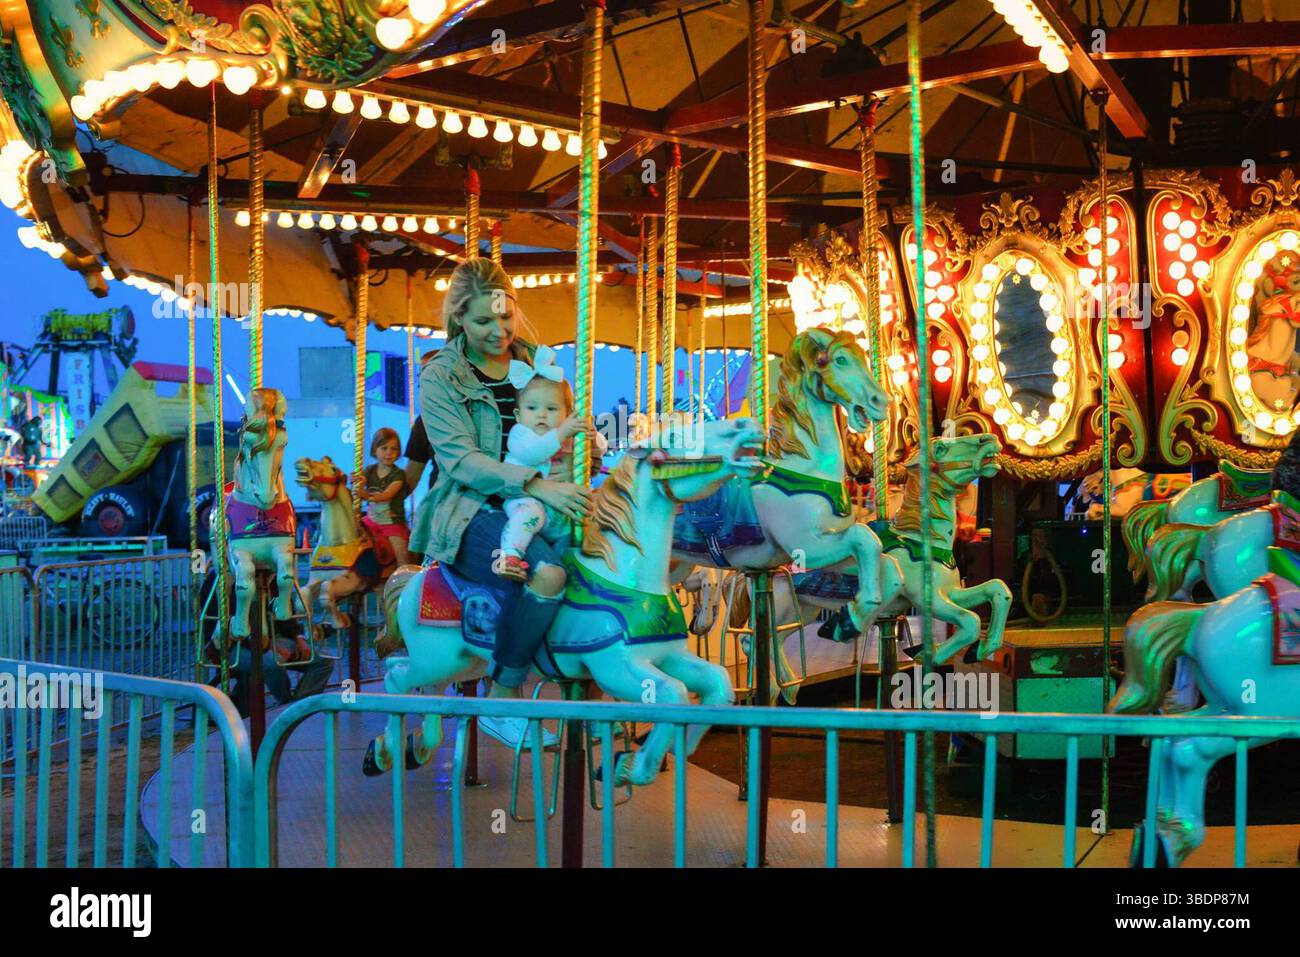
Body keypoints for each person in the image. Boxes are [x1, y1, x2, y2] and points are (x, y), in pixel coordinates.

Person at [413, 258, 597, 748]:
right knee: (549, 574)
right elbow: (461, 460)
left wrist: (587, 449)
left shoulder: (538, 363)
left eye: (506, 316)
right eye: (483, 321)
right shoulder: (441, 377)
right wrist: (535, 484)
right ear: (458, 319)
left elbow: (565, 426)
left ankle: (600, 687)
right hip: (474, 508)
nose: (499, 331)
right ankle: (503, 697)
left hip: (551, 494)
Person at [494, 346, 606, 581]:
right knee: (528, 516)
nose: (541, 415)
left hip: (561, 511)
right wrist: (564, 431)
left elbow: (600, 448)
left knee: (594, 519)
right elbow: (534, 453)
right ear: (518, 414)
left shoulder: (565, 435)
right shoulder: (521, 434)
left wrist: (591, 435)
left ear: (566, 413)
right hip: (527, 499)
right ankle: (510, 556)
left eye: (552, 409)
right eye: (532, 408)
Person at [356, 427, 412, 567]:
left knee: (402, 556)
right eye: (384, 448)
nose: (389, 453)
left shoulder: (398, 474)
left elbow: (387, 495)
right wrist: (358, 482)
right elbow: (360, 483)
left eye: (393, 449)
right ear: (375, 450)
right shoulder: (369, 471)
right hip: (371, 520)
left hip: (392, 523)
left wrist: (366, 496)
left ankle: (404, 580)